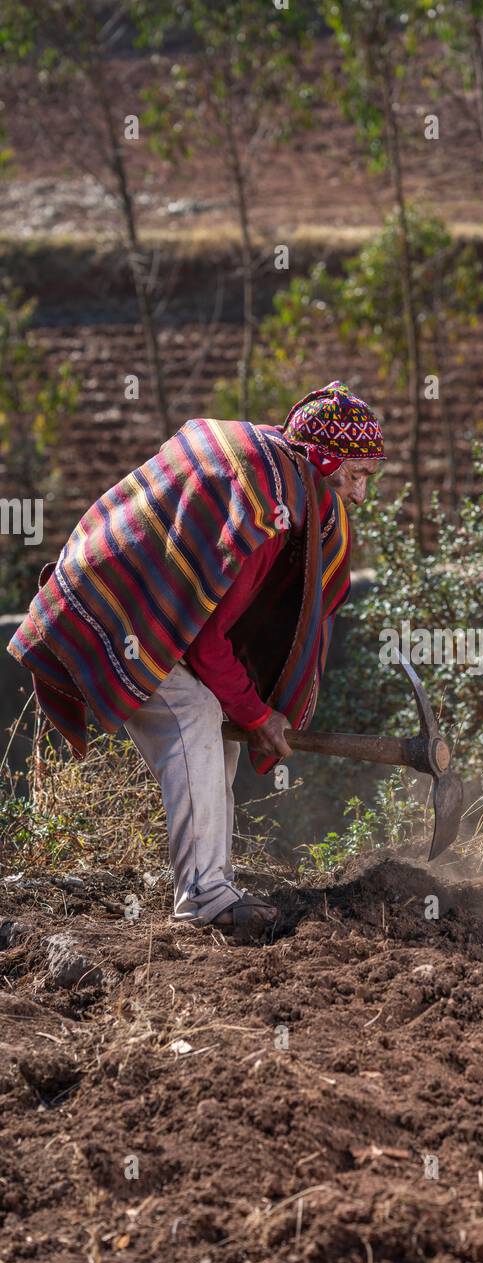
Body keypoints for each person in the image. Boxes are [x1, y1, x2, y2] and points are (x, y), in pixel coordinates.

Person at [8, 381, 384, 940]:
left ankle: (214, 881)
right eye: (355, 475)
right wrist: (258, 716)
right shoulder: (268, 511)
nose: (357, 495)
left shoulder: (268, 466)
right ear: (323, 462)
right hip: (119, 612)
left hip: (116, 595)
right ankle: (205, 896)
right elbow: (207, 641)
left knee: (211, 722)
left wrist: (251, 712)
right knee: (193, 715)